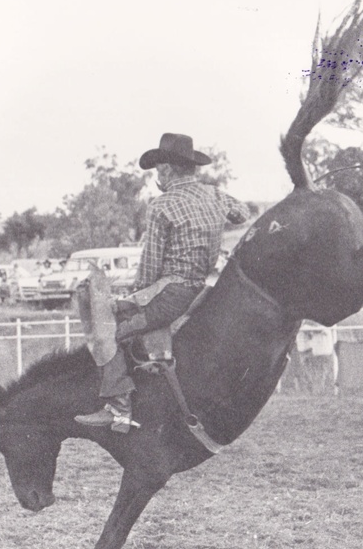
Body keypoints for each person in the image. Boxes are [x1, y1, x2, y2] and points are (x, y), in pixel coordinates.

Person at [75, 133, 251, 432]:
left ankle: (119, 408)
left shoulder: (161, 206)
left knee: (107, 330)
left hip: (170, 293)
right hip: (201, 286)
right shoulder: (216, 195)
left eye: (158, 169)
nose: (158, 175)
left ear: (168, 169)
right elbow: (243, 214)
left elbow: (149, 268)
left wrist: (133, 294)